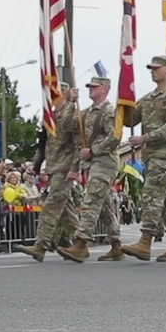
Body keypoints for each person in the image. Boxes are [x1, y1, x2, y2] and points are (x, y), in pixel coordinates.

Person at [15, 83, 93, 261]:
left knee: (51, 206)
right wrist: (36, 166)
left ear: (64, 94)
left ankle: (40, 245)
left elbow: (78, 144)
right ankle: (81, 244)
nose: (51, 96)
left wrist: (75, 169)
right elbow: (43, 145)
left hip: (64, 168)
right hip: (53, 166)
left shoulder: (72, 113)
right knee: (64, 210)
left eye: (55, 93)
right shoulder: (50, 116)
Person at [120, 56, 166, 262]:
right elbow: (130, 120)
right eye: (151, 68)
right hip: (151, 155)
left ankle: (145, 241)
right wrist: (124, 102)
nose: (152, 71)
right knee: (164, 200)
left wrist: (144, 138)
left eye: (157, 68)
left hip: (165, 153)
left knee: (151, 195)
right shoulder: (147, 99)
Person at [57, 77, 122, 263]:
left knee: (91, 200)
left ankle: (81, 243)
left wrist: (93, 151)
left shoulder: (110, 111)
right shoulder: (85, 113)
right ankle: (116, 244)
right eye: (89, 86)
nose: (90, 89)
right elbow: (68, 126)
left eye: (94, 87)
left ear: (105, 89)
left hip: (104, 162)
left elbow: (115, 137)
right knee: (104, 207)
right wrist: (71, 102)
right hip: (90, 163)